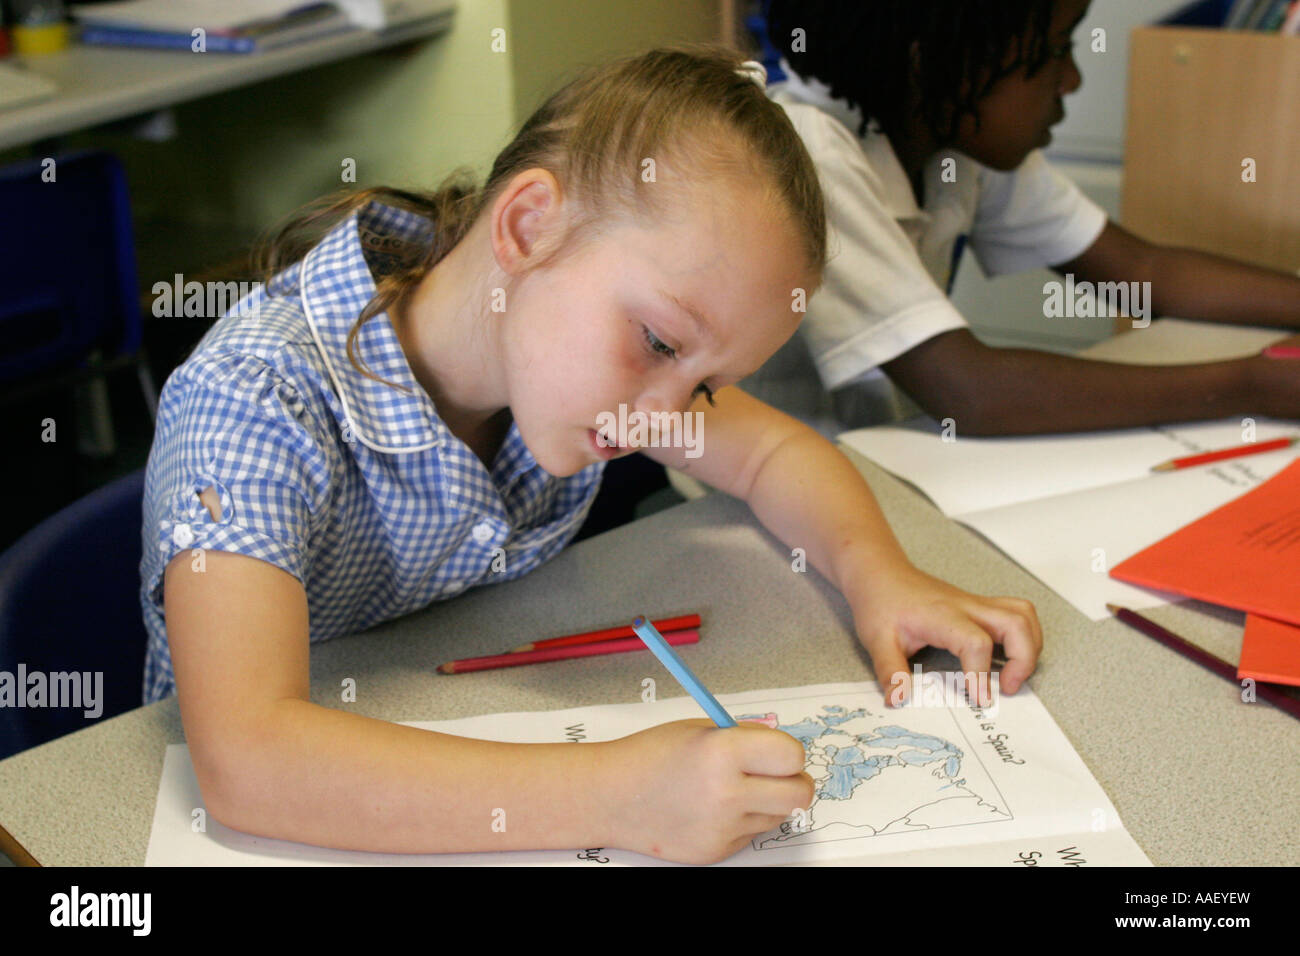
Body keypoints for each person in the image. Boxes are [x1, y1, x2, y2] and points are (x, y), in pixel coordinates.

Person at [139, 46, 1041, 865]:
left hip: (425, 712)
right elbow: (248, 760)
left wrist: (879, 575)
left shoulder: (566, 369)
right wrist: (620, 797)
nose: (663, 417)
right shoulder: (254, 400)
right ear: (529, 227)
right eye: (657, 342)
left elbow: (771, 454)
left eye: (701, 386)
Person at [753, 0, 1300, 436]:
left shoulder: (954, 137)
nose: (1072, 81)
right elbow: (973, 393)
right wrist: (1250, 385)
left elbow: (1143, 270)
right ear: (940, 62)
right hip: (752, 502)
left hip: (867, 466)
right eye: (1057, 49)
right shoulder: (808, 152)